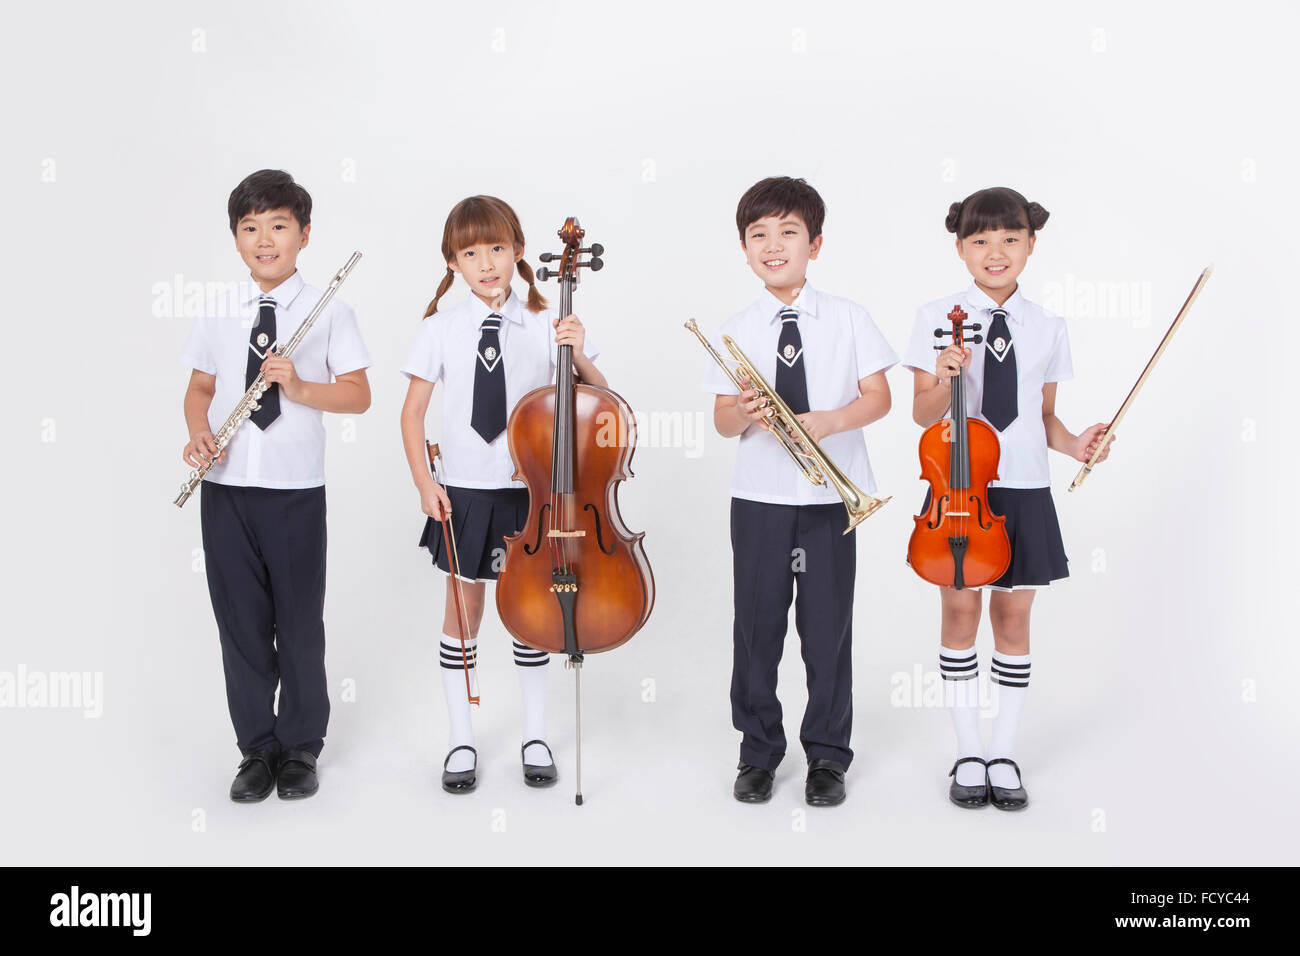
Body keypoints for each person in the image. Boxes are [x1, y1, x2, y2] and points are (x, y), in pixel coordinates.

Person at [903, 186, 1112, 811]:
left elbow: (1043, 417)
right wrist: (943, 378)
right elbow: (921, 415)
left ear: (1031, 244)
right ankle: (968, 751)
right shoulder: (934, 315)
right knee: (961, 616)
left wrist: (1076, 444)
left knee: (1013, 620)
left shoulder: (1048, 326)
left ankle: (1004, 751)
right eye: (980, 240)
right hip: (960, 493)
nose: (996, 252)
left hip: (1022, 489)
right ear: (961, 247)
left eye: (1009, 239)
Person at [399, 196, 605, 794]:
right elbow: (412, 415)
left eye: (496, 248)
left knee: (531, 616)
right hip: (463, 494)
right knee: (462, 614)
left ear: (519, 251)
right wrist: (423, 482)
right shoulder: (439, 329)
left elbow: (600, 399)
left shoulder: (545, 323)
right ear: (453, 261)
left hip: (531, 495)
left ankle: (535, 734)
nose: (485, 262)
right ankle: (461, 738)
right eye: (470, 252)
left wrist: (579, 350)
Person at [702, 176, 895, 807]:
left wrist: (828, 421)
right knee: (756, 630)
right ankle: (758, 752)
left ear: (815, 243)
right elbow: (722, 419)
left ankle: (828, 757)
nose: (773, 244)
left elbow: (879, 398)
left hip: (829, 503)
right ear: (744, 248)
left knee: (826, 630)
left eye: (788, 232)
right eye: (759, 234)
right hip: (759, 499)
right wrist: (749, 414)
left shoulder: (848, 318)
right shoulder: (738, 327)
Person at [179, 168, 371, 802]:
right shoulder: (217, 313)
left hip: (294, 491)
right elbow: (201, 389)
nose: (265, 239)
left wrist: (298, 386)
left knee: (298, 623)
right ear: (236, 238)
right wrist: (198, 432)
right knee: (240, 625)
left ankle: (301, 747)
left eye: (279, 227)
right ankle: (255, 749)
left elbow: (358, 395)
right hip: (227, 490)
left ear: (304, 235)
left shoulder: (330, 311)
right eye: (250, 228)